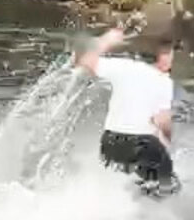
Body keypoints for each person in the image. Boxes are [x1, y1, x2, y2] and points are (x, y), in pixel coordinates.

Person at [75, 26, 178, 196]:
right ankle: (156, 214)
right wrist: (168, 141)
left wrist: (106, 41)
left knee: (137, 178)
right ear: (164, 57)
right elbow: (162, 121)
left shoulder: (123, 66)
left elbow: (85, 61)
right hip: (140, 145)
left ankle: (125, 205)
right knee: (167, 184)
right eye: (171, 56)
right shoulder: (163, 81)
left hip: (110, 144)